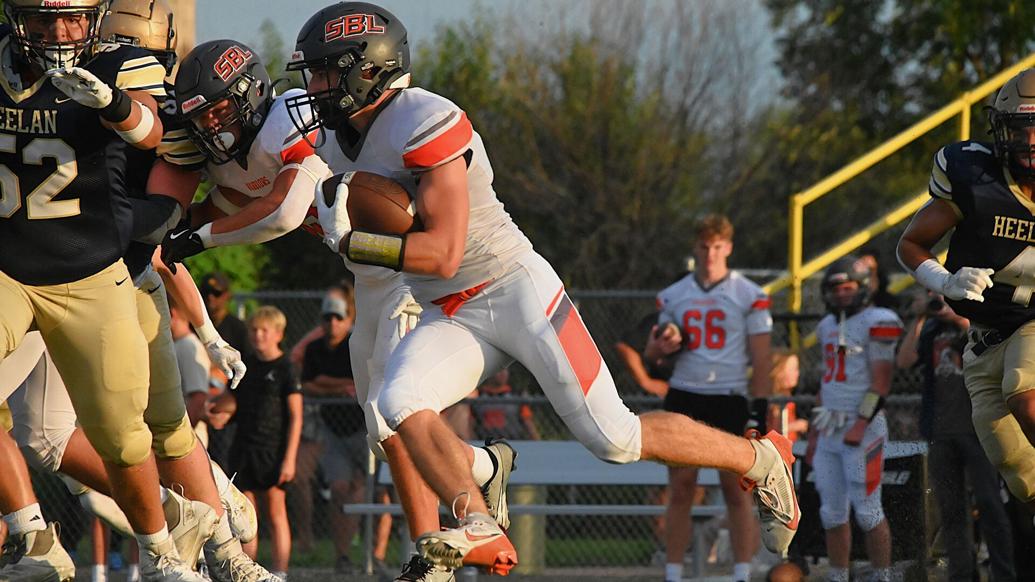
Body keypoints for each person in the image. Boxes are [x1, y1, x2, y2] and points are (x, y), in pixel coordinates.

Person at [293, 2, 799, 574]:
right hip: (448, 311)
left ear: (370, 68)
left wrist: (352, 243)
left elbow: (444, 252)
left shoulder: (425, 118)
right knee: (397, 404)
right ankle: (477, 518)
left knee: (615, 438)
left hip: (514, 290)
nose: (314, 86)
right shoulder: (335, 143)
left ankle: (760, 458)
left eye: (325, 71)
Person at [0, 0, 219, 577]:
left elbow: (153, 133)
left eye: (72, 17)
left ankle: (164, 551)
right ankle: (32, 539)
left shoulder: (119, 62)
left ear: (95, 19)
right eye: (42, 18)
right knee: (47, 432)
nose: (58, 31)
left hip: (90, 271)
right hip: (8, 269)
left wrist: (112, 103)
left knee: (126, 440)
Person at [896, 68, 1035, 510]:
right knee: (1018, 472)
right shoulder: (975, 176)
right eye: (1021, 129)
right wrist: (945, 281)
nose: (1030, 143)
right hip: (983, 339)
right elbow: (911, 243)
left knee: (1024, 392)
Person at [643, 214, 773, 582]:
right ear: (695, 247)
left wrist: (759, 409)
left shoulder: (750, 295)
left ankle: (742, 573)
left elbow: (761, 357)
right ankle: (673, 572)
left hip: (729, 396)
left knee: (736, 489)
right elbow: (655, 361)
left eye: (718, 246)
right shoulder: (674, 295)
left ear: (729, 247)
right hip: (685, 394)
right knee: (682, 489)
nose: (711, 253)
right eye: (704, 246)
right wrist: (656, 349)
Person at [896, 290, 1015, 582]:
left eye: (943, 294)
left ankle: (1005, 573)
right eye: (931, 294)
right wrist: (921, 317)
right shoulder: (932, 329)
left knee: (990, 503)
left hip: (979, 429)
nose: (938, 299)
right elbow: (905, 360)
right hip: (941, 430)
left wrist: (958, 317)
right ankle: (962, 574)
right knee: (950, 510)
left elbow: (993, 348)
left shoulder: (980, 323)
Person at [806, 257, 901, 582]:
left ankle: (883, 575)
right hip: (830, 426)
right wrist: (815, 434)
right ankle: (838, 576)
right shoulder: (827, 326)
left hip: (865, 429)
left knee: (868, 510)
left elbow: (881, 384)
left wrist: (860, 424)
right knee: (831, 513)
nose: (842, 294)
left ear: (861, 288)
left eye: (848, 287)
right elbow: (825, 385)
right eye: (836, 288)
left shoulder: (879, 320)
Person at [209, 306, 302, 581]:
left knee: (275, 511)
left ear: (278, 334)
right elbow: (231, 402)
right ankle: (247, 569)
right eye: (254, 330)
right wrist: (217, 413)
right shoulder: (245, 364)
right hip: (244, 446)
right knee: (244, 516)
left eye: (264, 330)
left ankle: (280, 571)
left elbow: (296, 417)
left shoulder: (286, 368)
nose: (258, 335)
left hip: (273, 450)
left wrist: (289, 459)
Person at [300, 289, 368, 574]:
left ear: (348, 318)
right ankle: (342, 556)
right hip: (333, 429)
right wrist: (339, 386)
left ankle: (373, 554)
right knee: (339, 490)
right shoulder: (315, 349)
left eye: (338, 318)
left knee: (368, 489)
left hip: (364, 428)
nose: (332, 324)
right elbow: (308, 384)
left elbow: (361, 381)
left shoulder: (357, 343)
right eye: (327, 318)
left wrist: (327, 382)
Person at [767, 350, 808, 441]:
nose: (797, 373)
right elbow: (773, 429)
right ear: (779, 372)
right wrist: (795, 426)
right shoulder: (776, 399)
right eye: (793, 369)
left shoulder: (787, 395)